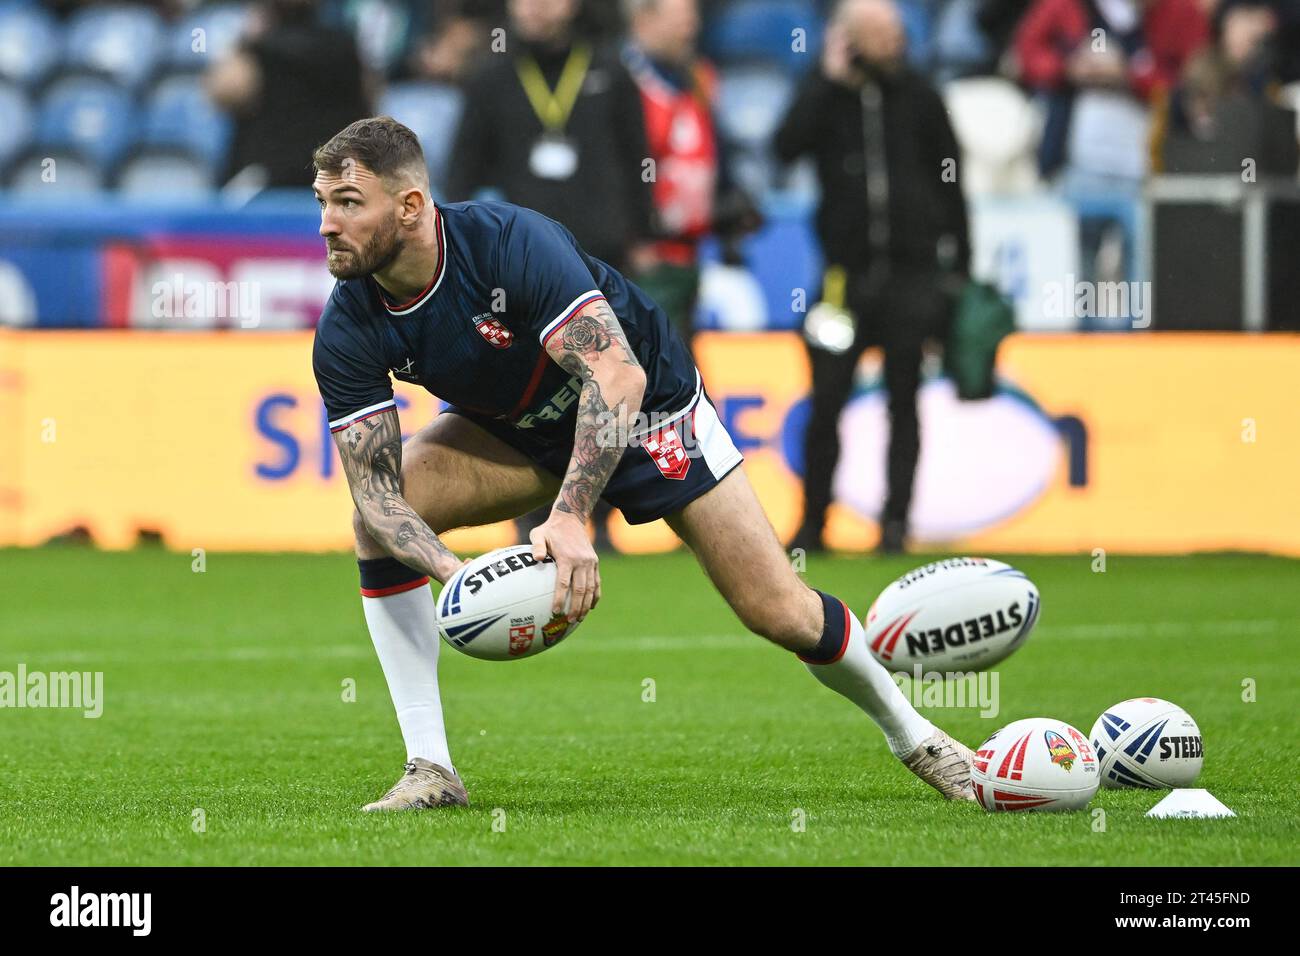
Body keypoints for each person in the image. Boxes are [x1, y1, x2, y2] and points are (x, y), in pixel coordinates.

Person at [309, 116, 976, 811]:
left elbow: (617, 376)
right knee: (373, 525)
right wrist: (458, 578)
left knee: (779, 611)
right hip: (518, 431)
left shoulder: (509, 244)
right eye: (323, 202)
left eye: (349, 202)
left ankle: (919, 739)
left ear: (410, 205)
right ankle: (431, 769)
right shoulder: (348, 325)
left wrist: (571, 517)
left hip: (653, 409)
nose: (327, 223)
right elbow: (378, 495)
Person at [775, 0, 970, 555]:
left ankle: (895, 524)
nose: (895, 41)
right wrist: (825, 81)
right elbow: (783, 147)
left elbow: (952, 186)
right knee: (826, 401)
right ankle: (814, 523)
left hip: (911, 278)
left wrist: (958, 272)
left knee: (904, 401)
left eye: (896, 31)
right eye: (881, 33)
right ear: (850, 38)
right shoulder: (827, 97)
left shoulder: (921, 97)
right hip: (843, 281)